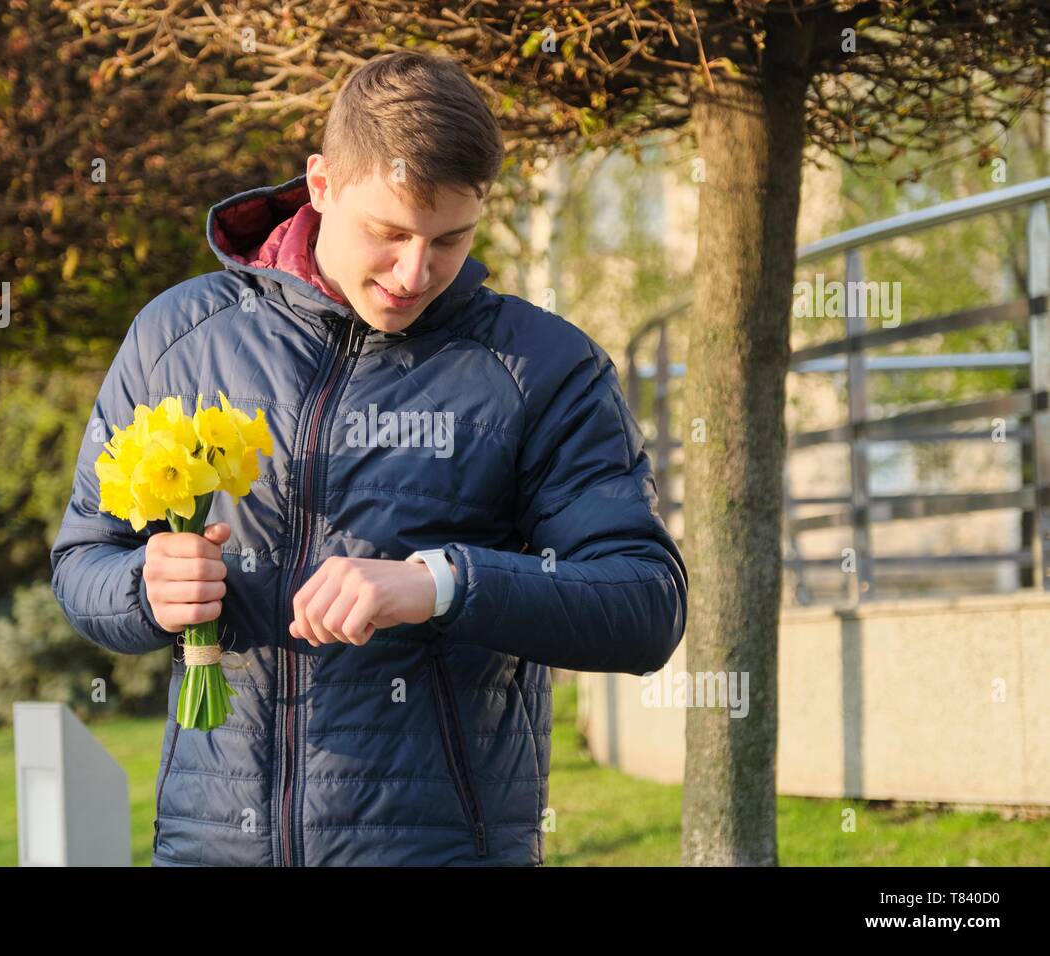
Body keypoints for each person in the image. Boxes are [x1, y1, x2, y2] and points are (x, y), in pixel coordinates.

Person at [51, 50, 688, 867]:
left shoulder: (543, 367)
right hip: (208, 848)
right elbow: (82, 562)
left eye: (450, 239)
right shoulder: (179, 336)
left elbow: (644, 605)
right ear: (320, 185)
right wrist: (145, 587)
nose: (414, 272)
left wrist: (442, 583)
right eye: (387, 234)